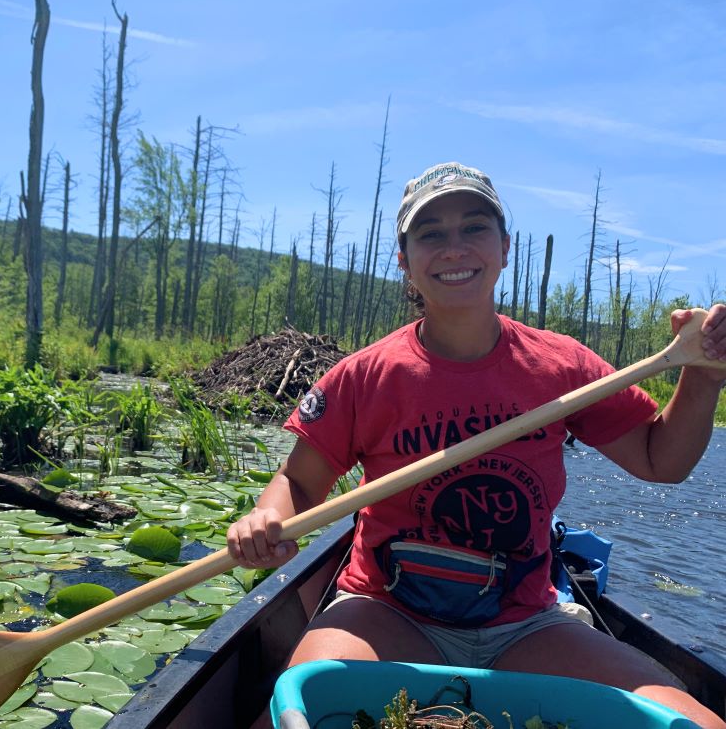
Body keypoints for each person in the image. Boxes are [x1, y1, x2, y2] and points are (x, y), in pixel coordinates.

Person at [226, 161, 726, 729]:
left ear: (506, 248)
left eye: (474, 228)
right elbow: (298, 482)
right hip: (387, 611)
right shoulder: (364, 376)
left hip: (524, 622)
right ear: (404, 260)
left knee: (695, 722)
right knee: (292, 716)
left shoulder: (561, 364)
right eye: (431, 233)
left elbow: (662, 459)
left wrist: (703, 376)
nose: (454, 247)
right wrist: (267, 518)